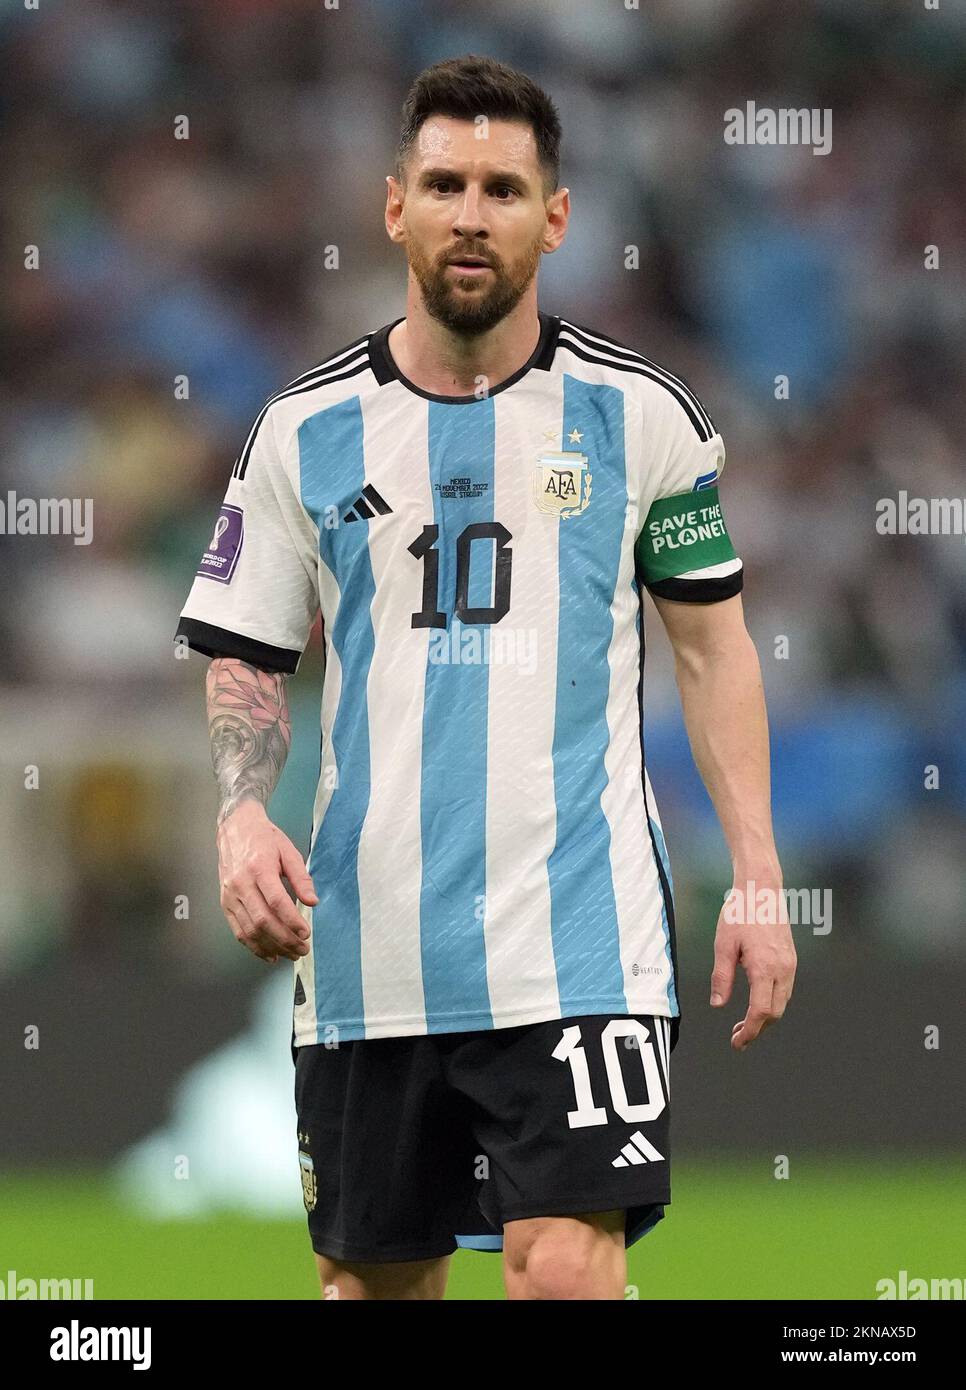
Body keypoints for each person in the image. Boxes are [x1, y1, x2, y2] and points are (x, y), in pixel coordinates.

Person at [175, 54, 796, 1301]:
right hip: (367, 946)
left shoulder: (643, 417)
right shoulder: (303, 432)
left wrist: (761, 873)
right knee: (370, 1289)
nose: (473, 213)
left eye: (505, 188)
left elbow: (715, 646)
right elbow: (246, 653)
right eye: (446, 182)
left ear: (555, 218)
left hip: (583, 937)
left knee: (564, 1270)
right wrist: (241, 815)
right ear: (392, 203)